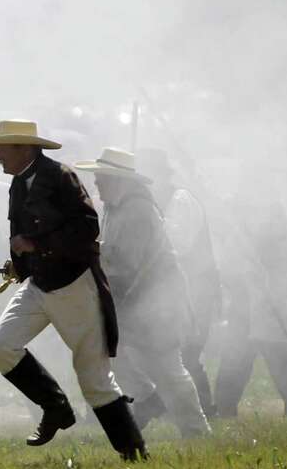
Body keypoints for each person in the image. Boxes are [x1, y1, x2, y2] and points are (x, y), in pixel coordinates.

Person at [0, 121, 146, 461]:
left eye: (2, 149)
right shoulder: (19, 183)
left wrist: (35, 245)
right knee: (1, 345)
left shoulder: (60, 177)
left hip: (73, 286)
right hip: (39, 283)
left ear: (24, 149)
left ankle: (134, 453)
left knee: (94, 380)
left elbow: (86, 229)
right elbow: (20, 236)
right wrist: (21, 263)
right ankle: (56, 407)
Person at [77, 147, 210, 437]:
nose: (96, 183)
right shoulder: (116, 207)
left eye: (102, 177)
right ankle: (147, 399)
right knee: (109, 350)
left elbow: (126, 265)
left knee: (167, 367)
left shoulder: (136, 211)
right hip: (136, 299)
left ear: (118, 180)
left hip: (156, 299)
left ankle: (196, 430)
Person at [137, 148, 221, 418]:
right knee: (169, 353)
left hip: (194, 287)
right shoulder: (148, 204)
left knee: (187, 353)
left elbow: (177, 245)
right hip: (169, 289)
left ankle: (204, 411)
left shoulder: (180, 200)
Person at [213, 193, 287, 417]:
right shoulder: (241, 218)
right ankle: (224, 412)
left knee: (280, 357)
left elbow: (269, 252)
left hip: (269, 297)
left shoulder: (271, 211)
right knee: (234, 358)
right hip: (246, 298)